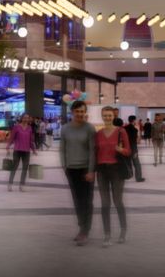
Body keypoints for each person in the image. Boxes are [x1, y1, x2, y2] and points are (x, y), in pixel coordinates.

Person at [61, 100, 96, 245]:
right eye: (77, 111)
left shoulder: (89, 128)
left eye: (82, 111)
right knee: (77, 200)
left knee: (87, 201)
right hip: (71, 170)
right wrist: (65, 166)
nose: (80, 114)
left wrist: (91, 170)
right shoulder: (65, 128)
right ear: (72, 112)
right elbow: (62, 149)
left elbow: (93, 151)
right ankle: (82, 227)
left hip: (85, 170)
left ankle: (85, 231)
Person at [96, 108, 130, 247]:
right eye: (105, 116)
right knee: (105, 204)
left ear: (113, 116)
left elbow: (128, 151)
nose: (107, 117)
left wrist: (121, 150)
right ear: (102, 117)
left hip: (116, 170)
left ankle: (123, 230)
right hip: (102, 170)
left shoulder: (121, 131)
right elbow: (95, 152)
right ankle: (107, 234)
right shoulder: (98, 134)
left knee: (117, 201)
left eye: (109, 115)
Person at [6, 113, 37, 192]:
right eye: (25, 118)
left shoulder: (30, 128)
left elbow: (31, 140)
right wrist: (8, 146)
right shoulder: (16, 127)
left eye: (27, 118)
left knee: (25, 169)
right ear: (21, 118)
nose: (26, 119)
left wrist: (33, 150)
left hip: (26, 151)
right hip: (17, 150)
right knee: (14, 167)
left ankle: (21, 185)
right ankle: (10, 184)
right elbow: (12, 137)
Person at [124, 116, 145, 182]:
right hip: (132, 149)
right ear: (133, 121)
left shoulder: (124, 128)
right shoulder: (134, 129)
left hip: (126, 148)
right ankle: (138, 178)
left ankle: (127, 176)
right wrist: (135, 151)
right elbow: (133, 141)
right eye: (135, 120)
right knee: (137, 164)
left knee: (127, 163)